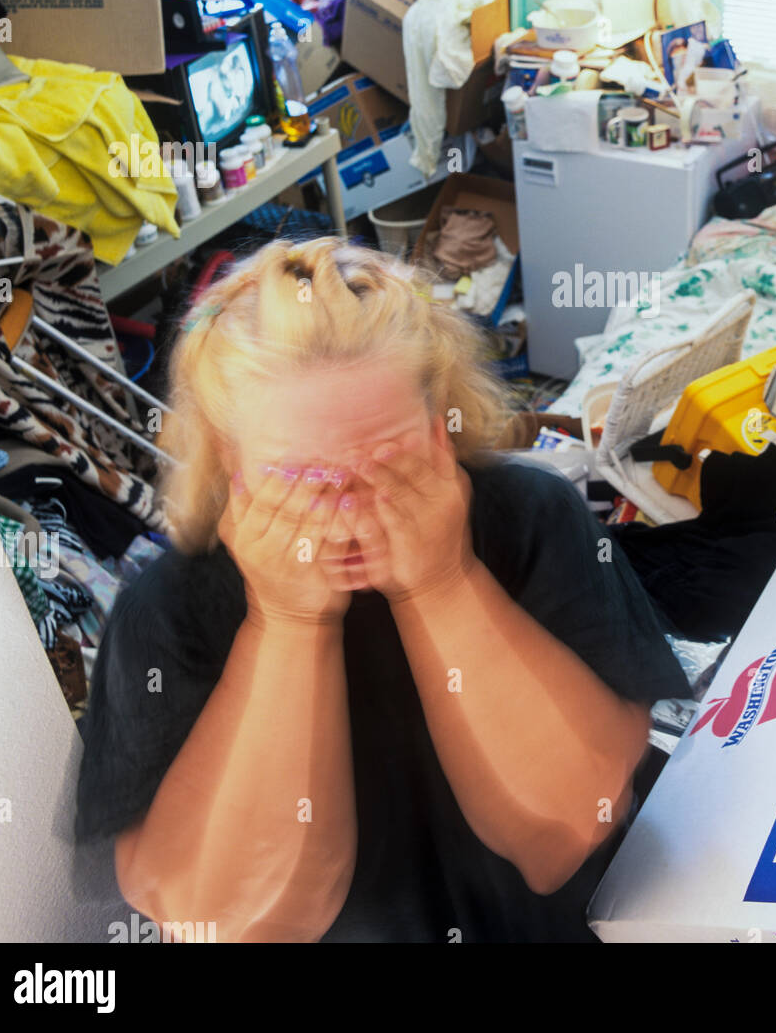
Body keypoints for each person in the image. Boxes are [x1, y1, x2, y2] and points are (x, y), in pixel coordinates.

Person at [75, 237, 688, 942]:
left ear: (438, 426)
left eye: (390, 465)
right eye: (302, 483)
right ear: (227, 458)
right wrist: (286, 622)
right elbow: (228, 920)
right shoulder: (168, 612)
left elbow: (570, 830)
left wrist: (442, 581)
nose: (352, 512)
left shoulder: (531, 518)